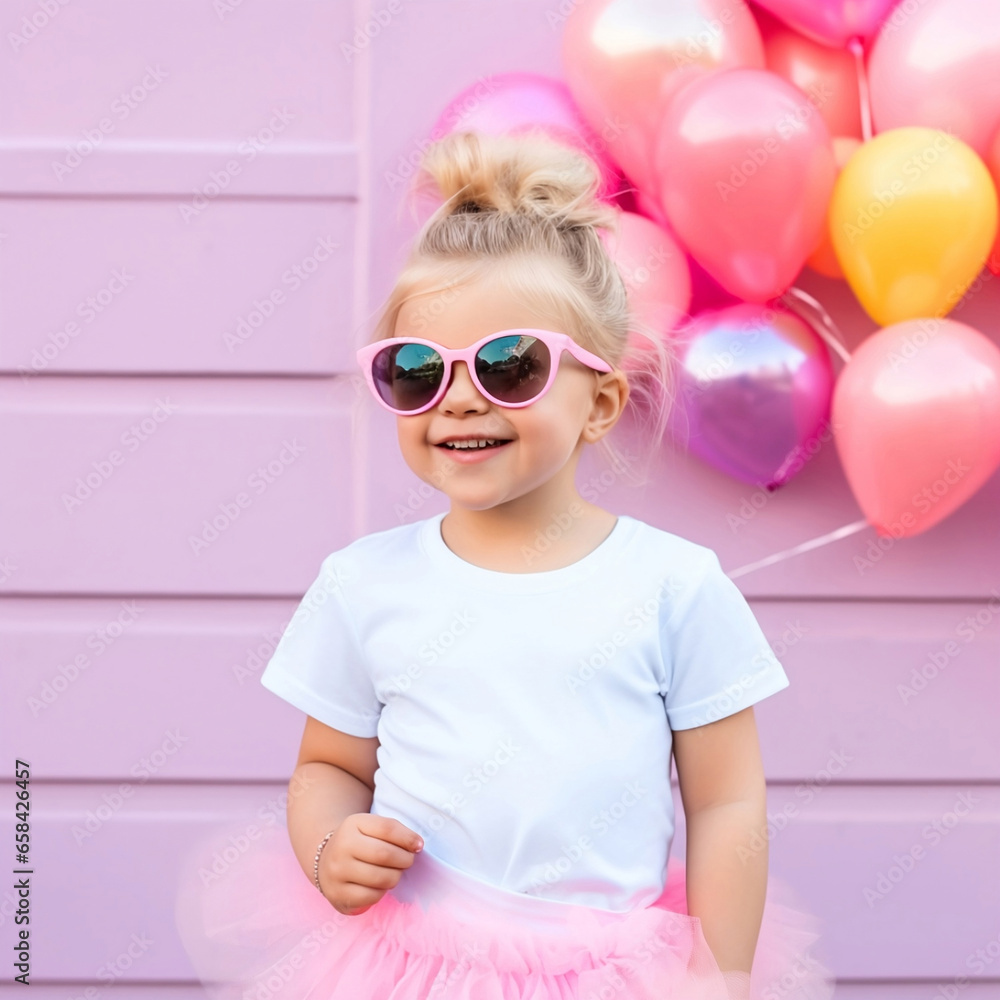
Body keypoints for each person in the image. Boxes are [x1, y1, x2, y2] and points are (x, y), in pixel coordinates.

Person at [174, 130, 835, 1000]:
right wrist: (331, 844)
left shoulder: (674, 586)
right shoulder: (364, 585)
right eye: (415, 370)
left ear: (599, 402)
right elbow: (329, 767)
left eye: (508, 367)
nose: (456, 398)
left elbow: (726, 805)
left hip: (610, 973)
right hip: (407, 967)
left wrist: (727, 976)